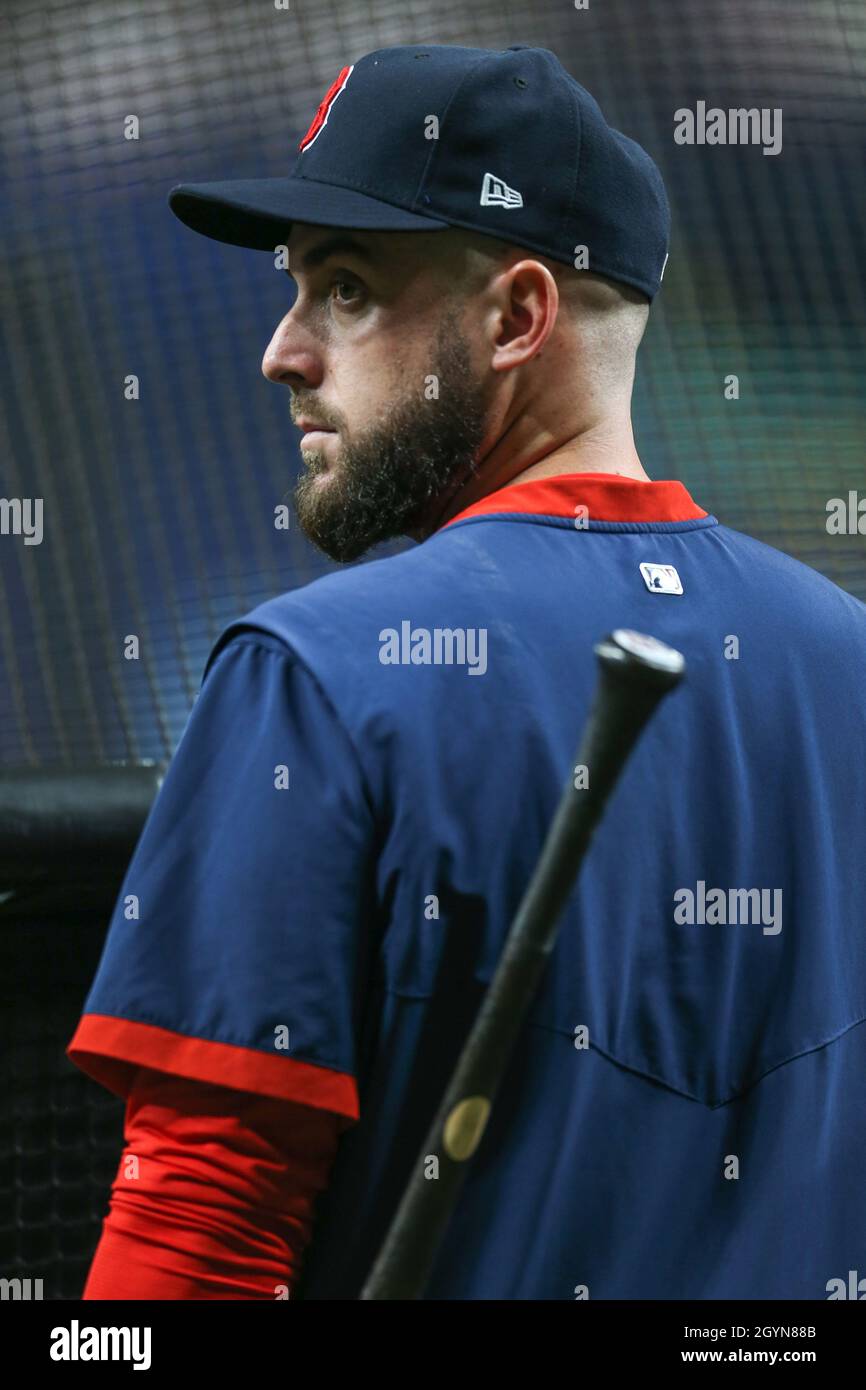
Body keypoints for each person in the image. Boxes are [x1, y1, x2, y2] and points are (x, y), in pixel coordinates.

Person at [67, 43, 866, 1300]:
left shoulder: (315, 674)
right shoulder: (847, 663)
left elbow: (196, 1228)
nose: (282, 352)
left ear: (516, 318)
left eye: (342, 290)